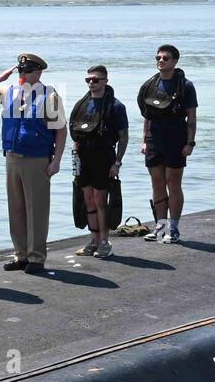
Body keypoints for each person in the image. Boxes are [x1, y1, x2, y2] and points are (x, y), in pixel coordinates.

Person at [0, 53, 67, 274]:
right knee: (16, 208)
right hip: (12, 157)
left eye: (27, 71)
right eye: (20, 71)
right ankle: (21, 255)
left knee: (36, 209)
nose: (22, 75)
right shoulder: (9, 92)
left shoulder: (49, 95)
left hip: (37, 158)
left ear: (38, 73)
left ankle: (36, 257)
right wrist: (2, 76)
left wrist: (56, 161)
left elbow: (61, 130)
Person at [138, 44, 198, 243]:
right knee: (157, 182)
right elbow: (147, 115)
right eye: (158, 58)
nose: (160, 61)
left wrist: (190, 143)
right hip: (154, 139)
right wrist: (145, 140)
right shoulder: (150, 85)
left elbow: (191, 118)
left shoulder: (185, 85)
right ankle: (160, 227)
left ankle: (174, 229)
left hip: (176, 139)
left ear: (174, 61)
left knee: (173, 183)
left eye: (165, 58)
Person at [69, 66, 129, 258]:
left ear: (105, 81)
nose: (91, 83)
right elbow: (74, 131)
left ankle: (104, 241)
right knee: (88, 200)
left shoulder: (116, 107)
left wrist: (117, 163)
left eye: (95, 79)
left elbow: (123, 137)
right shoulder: (81, 104)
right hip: (83, 157)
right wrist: (75, 159)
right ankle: (93, 240)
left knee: (101, 201)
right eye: (88, 80)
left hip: (104, 157)